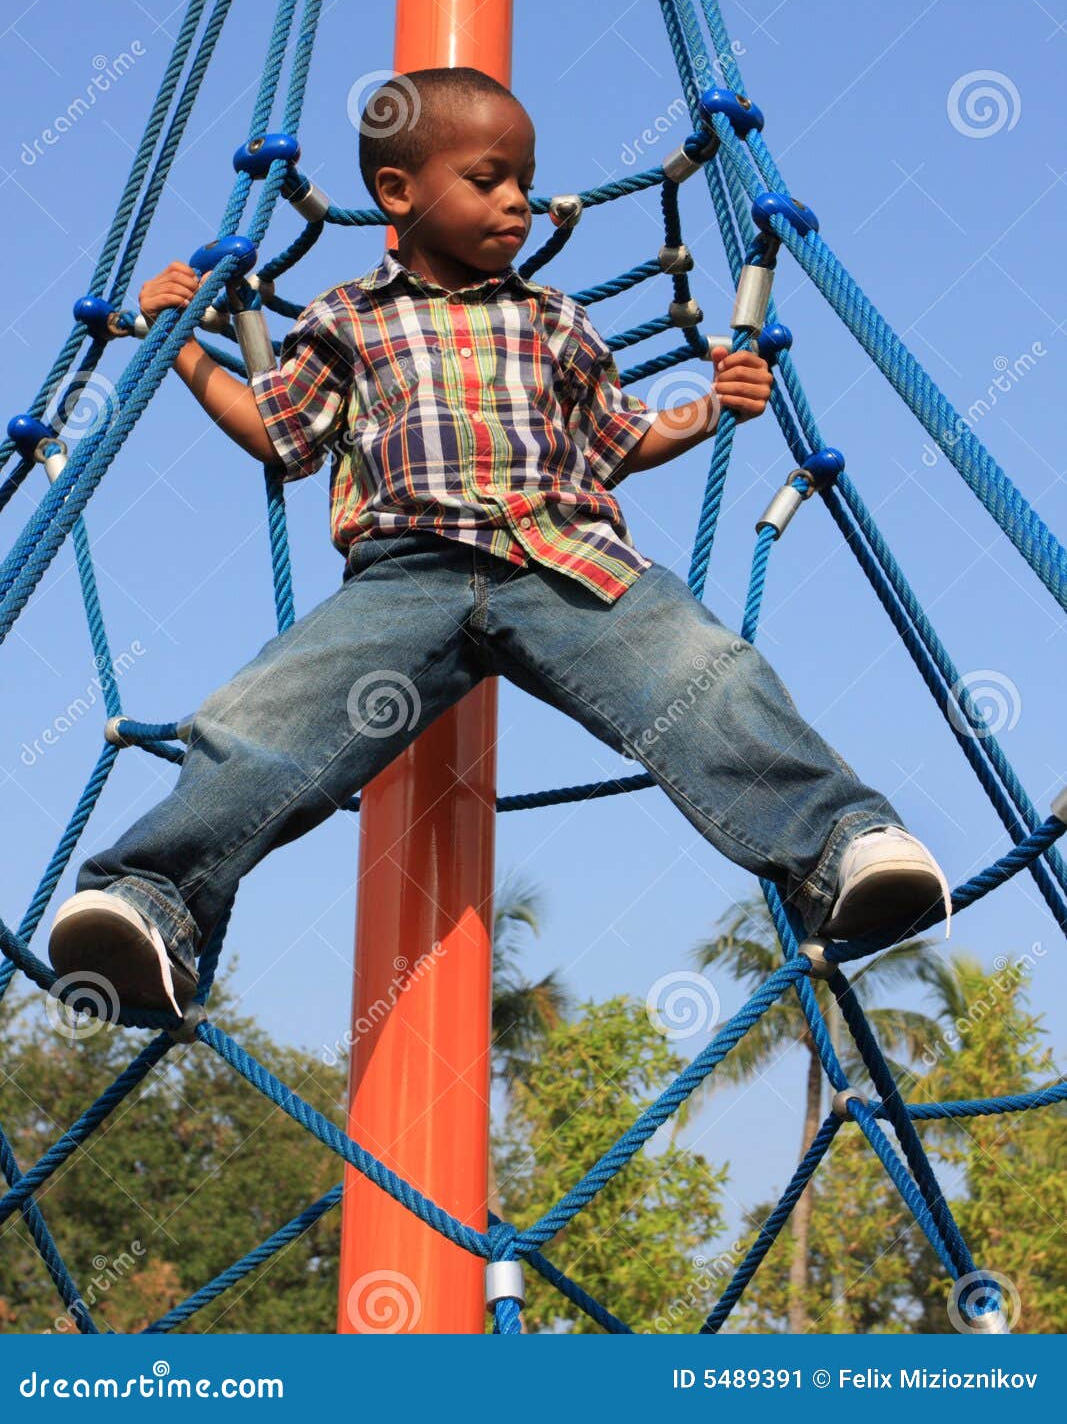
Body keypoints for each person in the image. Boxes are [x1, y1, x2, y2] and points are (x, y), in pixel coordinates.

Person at [48, 66, 951, 1021]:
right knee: (262, 720)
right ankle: (151, 900)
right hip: (408, 573)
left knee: (708, 676)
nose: (517, 202)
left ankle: (839, 845)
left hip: (567, 561)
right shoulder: (345, 317)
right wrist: (181, 339)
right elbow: (281, 433)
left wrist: (702, 411)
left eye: (523, 180)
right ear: (398, 194)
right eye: (488, 179)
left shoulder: (555, 318)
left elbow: (615, 441)